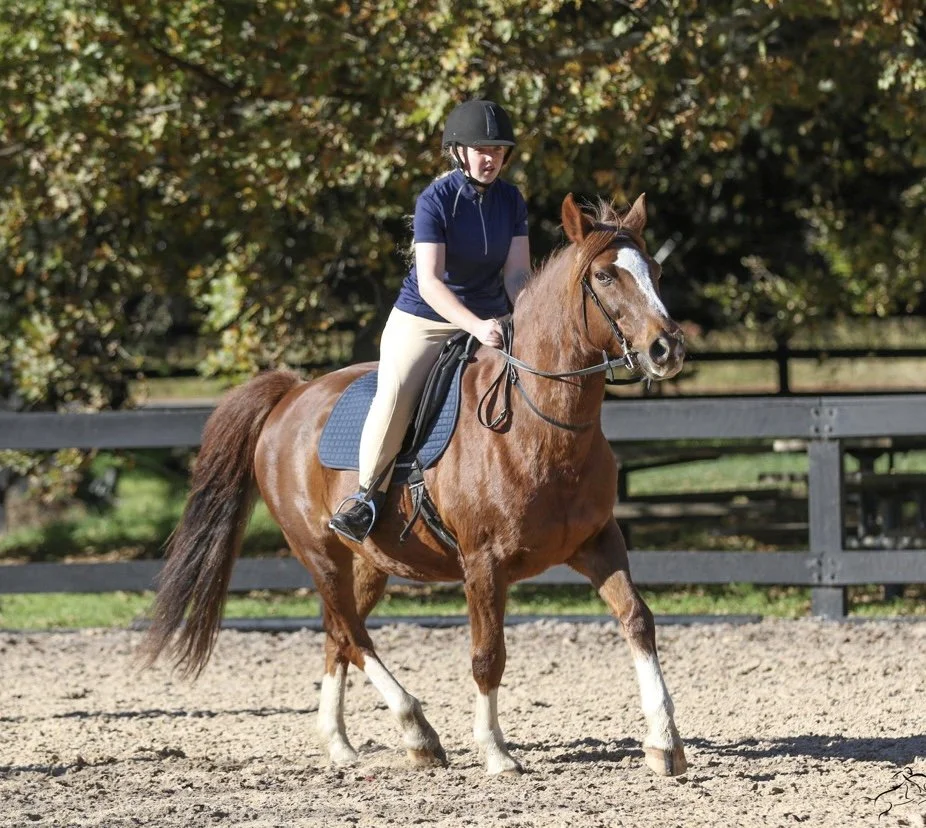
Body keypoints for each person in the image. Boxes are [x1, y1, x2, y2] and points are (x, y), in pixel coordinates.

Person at [329, 99, 532, 543]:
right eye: (481, 150)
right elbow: (430, 283)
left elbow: (517, 274)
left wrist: (524, 317)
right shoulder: (435, 201)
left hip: (493, 316)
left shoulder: (511, 199)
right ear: (458, 152)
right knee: (396, 392)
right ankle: (365, 497)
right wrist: (476, 326)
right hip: (426, 318)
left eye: (498, 150)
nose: (491, 158)